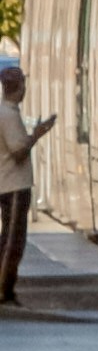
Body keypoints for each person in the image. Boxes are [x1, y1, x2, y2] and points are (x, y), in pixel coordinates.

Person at [0, 42, 33, 305]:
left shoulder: (6, 113)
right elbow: (18, 151)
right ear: (18, 88)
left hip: (11, 184)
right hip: (12, 185)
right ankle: (3, 291)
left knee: (13, 239)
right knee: (12, 241)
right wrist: (38, 135)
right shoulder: (8, 115)